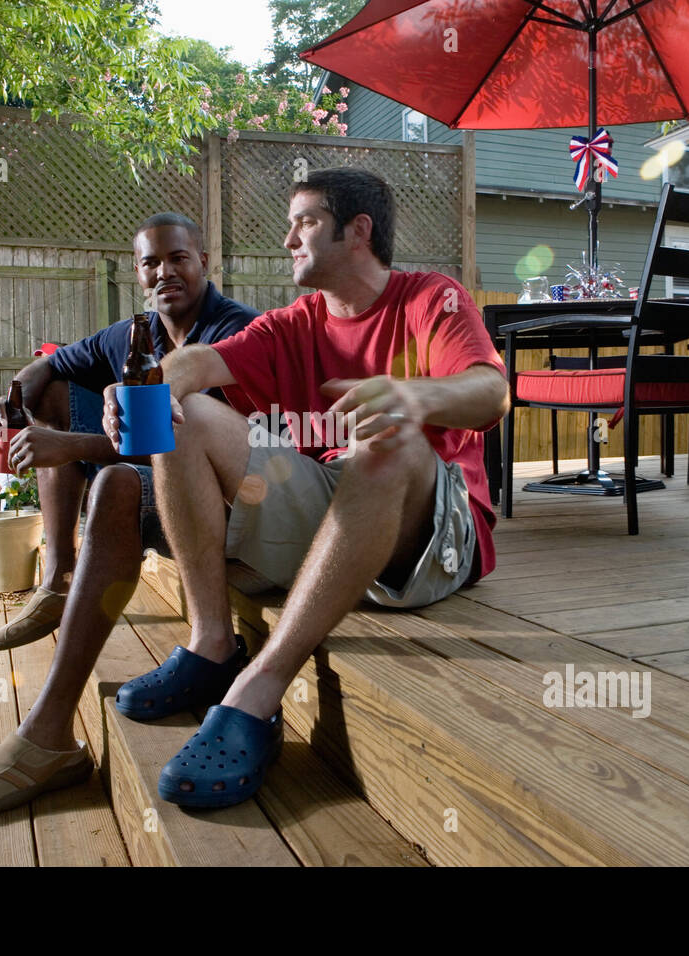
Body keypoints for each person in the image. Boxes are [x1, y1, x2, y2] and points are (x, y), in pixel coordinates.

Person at [102, 168, 510, 809]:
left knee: (388, 438)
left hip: (431, 537)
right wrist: (150, 386)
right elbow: (201, 362)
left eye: (306, 222)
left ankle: (260, 688)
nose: (289, 237)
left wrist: (413, 396)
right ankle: (211, 642)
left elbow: (491, 391)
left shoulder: (433, 298)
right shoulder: (295, 322)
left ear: (358, 230)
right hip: (338, 517)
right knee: (185, 414)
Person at [0, 212, 257, 818]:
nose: (164, 272)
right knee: (50, 396)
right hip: (168, 487)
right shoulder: (136, 333)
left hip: (233, 505)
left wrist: (70, 447)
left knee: (112, 485)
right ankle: (57, 577)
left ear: (204, 261)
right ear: (137, 272)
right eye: (150, 262)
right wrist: (11, 399)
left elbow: (174, 439)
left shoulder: (232, 331)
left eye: (177, 257)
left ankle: (46, 736)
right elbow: (53, 365)